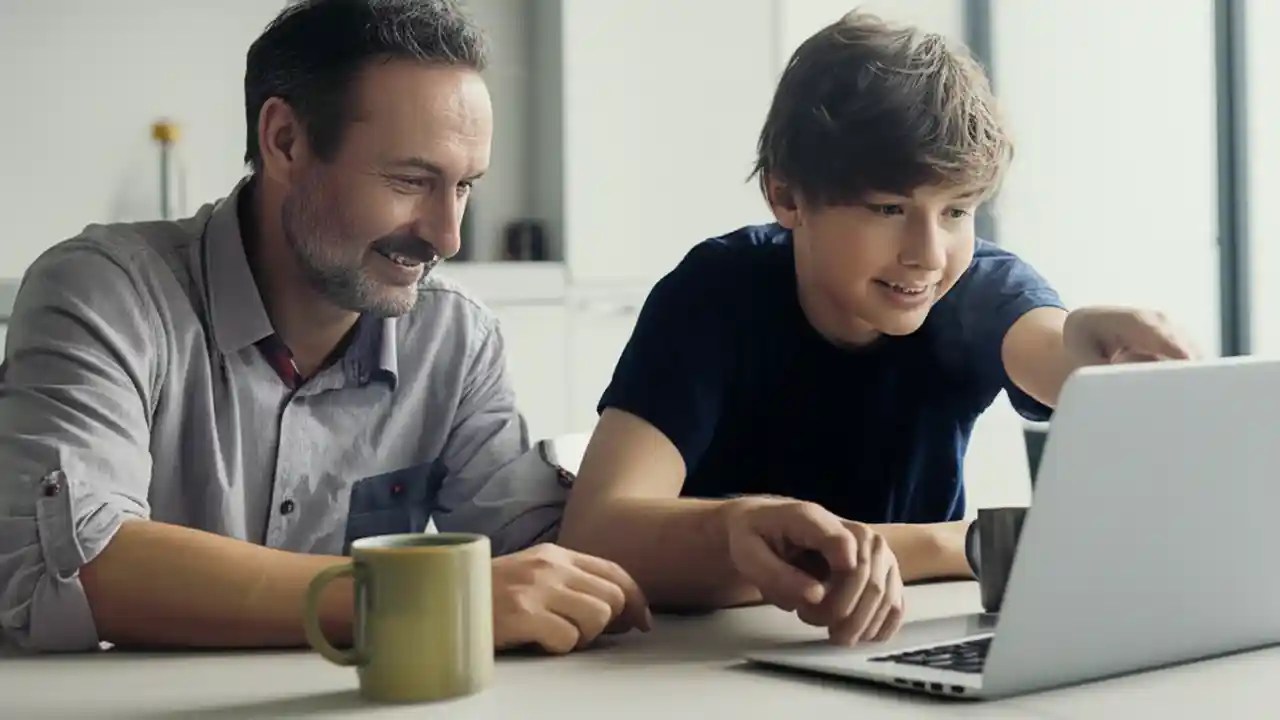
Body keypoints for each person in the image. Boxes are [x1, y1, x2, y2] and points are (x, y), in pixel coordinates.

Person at [0, 0, 649, 654]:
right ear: (285, 140)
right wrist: (419, 596)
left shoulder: (455, 340)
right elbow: (75, 564)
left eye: (464, 187)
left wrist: (728, 528)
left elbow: (538, 556)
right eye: (410, 180)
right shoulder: (105, 293)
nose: (447, 237)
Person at [558, 12, 1197, 647]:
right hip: (707, 658)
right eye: (889, 209)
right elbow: (595, 535)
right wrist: (949, 544)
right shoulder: (715, 293)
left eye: (957, 211)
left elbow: (1049, 346)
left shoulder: (972, 286)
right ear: (787, 197)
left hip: (899, 639)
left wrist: (1088, 356)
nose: (928, 253)